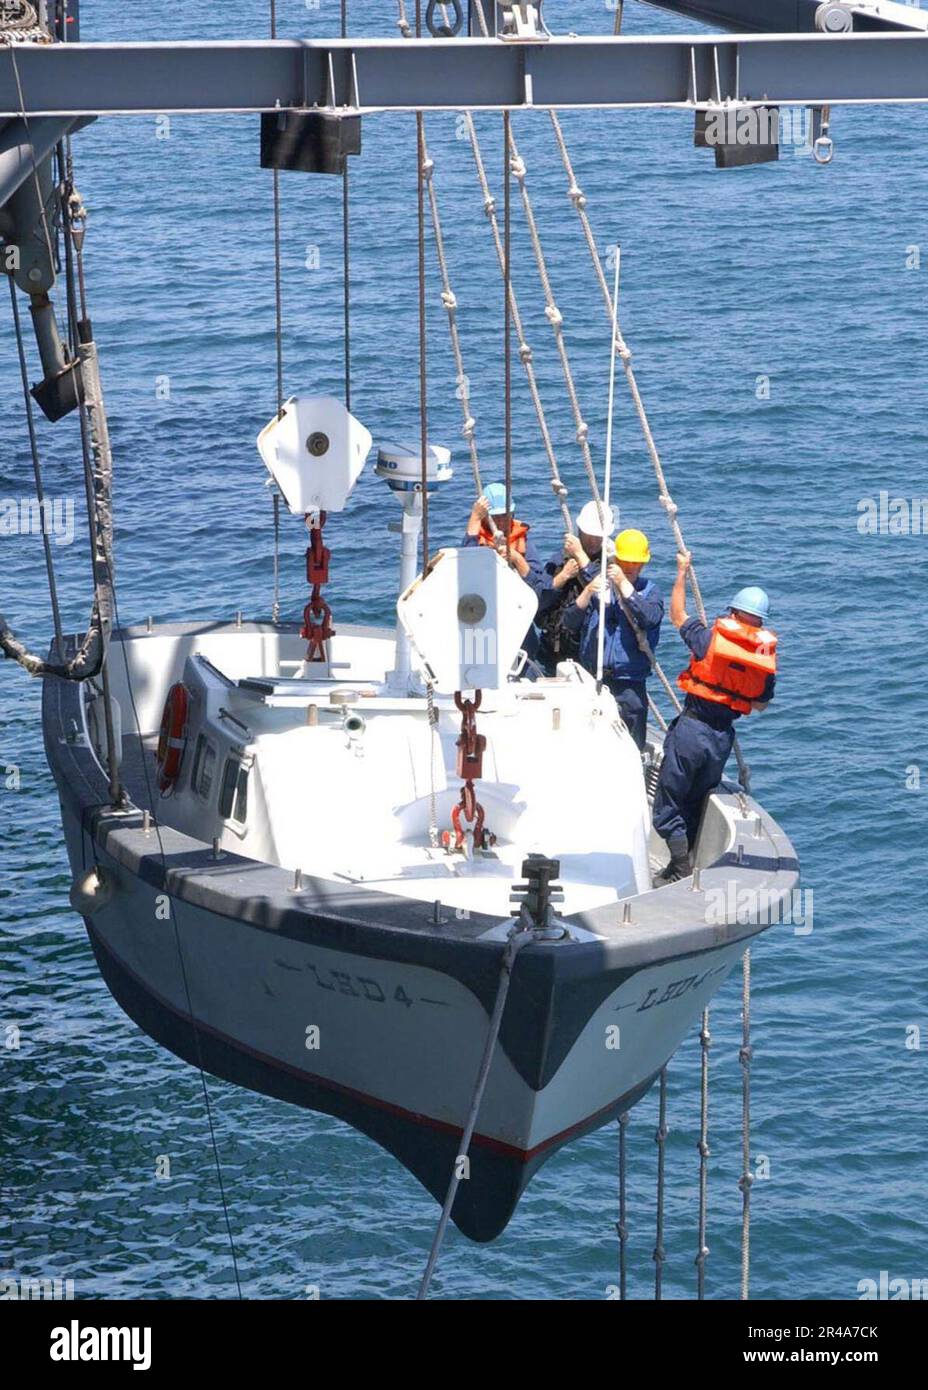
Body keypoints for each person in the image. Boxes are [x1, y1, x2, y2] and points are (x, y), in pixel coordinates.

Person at [652, 554, 777, 884]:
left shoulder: (709, 640)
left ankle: (678, 866)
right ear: (760, 623)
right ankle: (685, 864)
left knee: (668, 802)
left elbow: (677, 614)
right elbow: (761, 703)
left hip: (691, 731)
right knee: (695, 801)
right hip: (721, 739)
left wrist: (681, 572)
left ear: (734, 612)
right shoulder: (761, 658)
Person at [560, 527, 663, 749]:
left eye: (636, 563)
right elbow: (569, 622)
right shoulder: (601, 588)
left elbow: (650, 617)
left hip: (629, 683)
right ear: (616, 560)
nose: (631, 568)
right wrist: (587, 592)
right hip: (593, 677)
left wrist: (624, 586)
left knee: (631, 743)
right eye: (626, 562)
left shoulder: (650, 592)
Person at [463, 482, 545, 661]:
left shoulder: (525, 545)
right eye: (495, 517)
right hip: (484, 624)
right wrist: (474, 518)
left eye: (504, 516)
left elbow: (540, 589)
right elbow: (465, 570)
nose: (500, 522)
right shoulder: (476, 543)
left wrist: (516, 559)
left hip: (519, 626)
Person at [535, 500, 616, 676]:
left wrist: (580, 555)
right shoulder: (561, 559)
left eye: (598, 536)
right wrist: (563, 576)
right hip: (552, 650)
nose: (594, 540)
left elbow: (607, 595)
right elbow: (539, 601)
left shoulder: (608, 565)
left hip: (587, 654)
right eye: (590, 534)